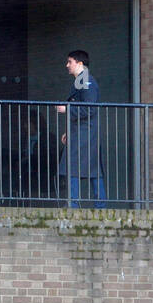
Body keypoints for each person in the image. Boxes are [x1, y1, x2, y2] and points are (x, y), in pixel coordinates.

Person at [56, 49, 105, 208]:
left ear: (80, 63)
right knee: (90, 169)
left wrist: (67, 109)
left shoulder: (87, 82)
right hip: (82, 133)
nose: (67, 65)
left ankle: (76, 204)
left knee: (75, 167)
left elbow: (89, 109)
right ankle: (97, 205)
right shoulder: (82, 81)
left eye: (70, 62)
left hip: (85, 134)